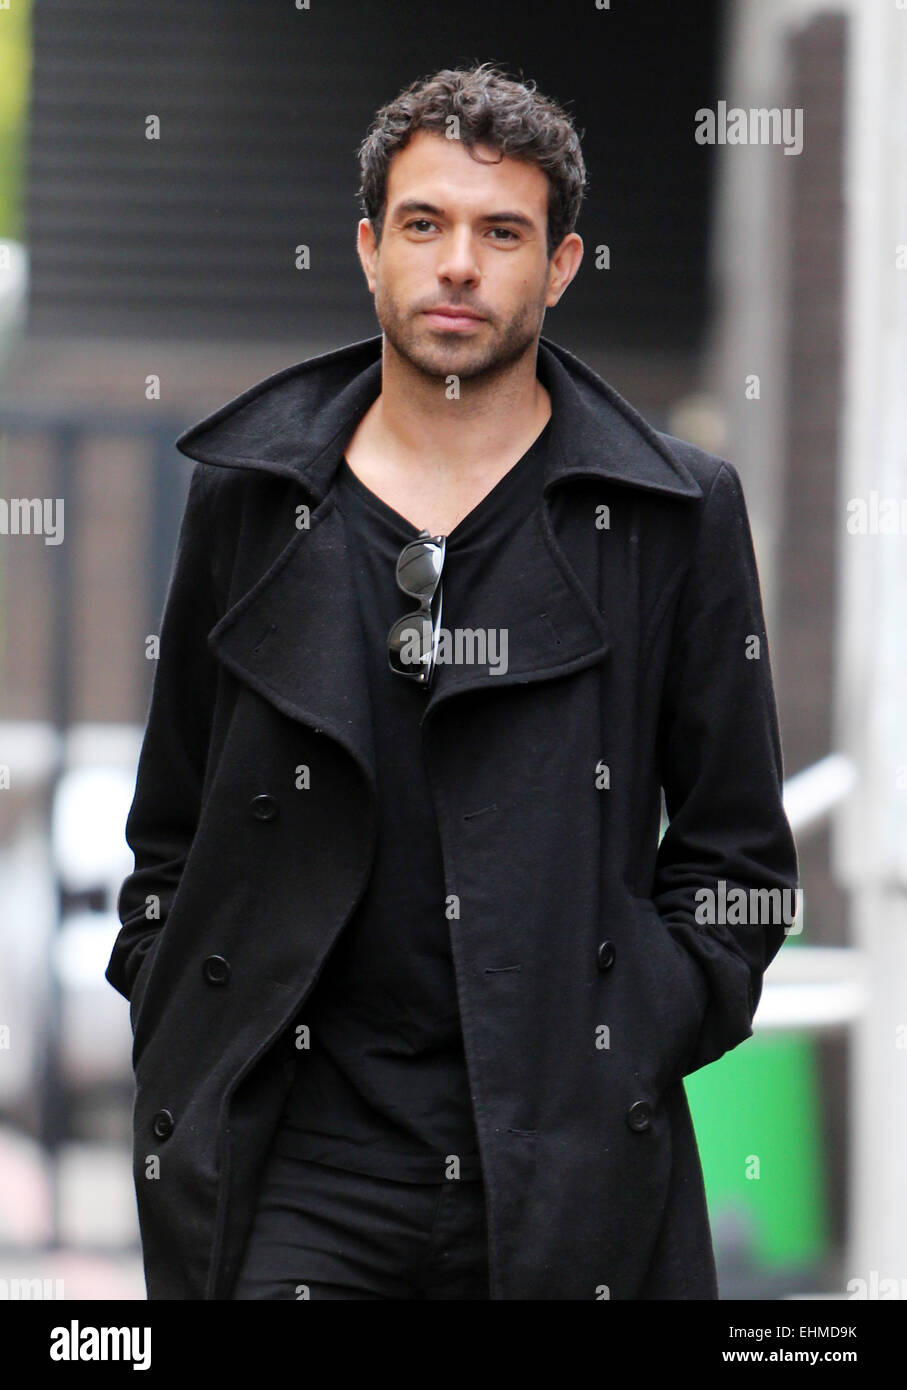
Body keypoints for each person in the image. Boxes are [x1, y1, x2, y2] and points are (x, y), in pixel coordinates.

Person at [106, 62, 799, 1301]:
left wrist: (634, 1029)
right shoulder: (254, 499)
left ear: (563, 264)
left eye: (502, 231)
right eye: (424, 224)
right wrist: (169, 991)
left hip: (559, 1149)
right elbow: (172, 824)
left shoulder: (671, 514)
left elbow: (738, 862)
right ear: (369, 249)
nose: (460, 264)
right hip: (292, 1162)